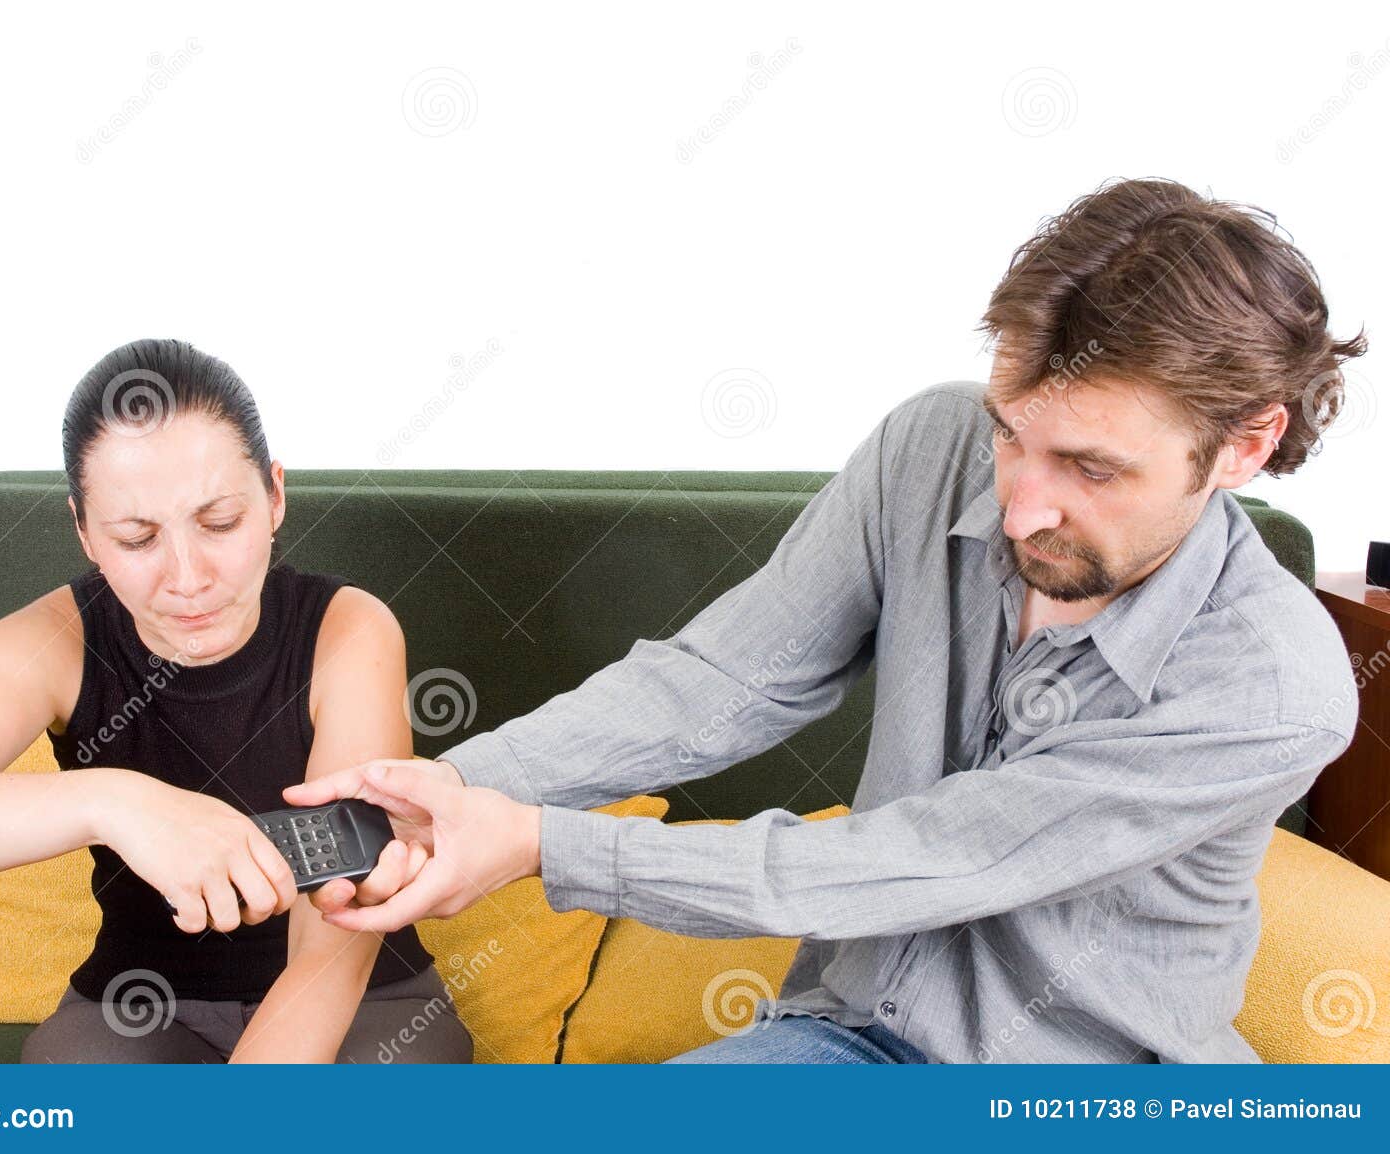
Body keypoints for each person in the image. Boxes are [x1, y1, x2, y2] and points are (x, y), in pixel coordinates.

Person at [285, 178, 1366, 1064]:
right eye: (1010, 434)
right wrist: (438, 796)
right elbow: (720, 683)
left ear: (1244, 444)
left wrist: (540, 845)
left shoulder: (1274, 683)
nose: (1019, 507)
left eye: (1090, 468)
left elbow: (928, 858)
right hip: (847, 1043)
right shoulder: (931, 448)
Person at [0, 338, 472, 1064]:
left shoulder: (349, 628)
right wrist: (115, 802)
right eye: (137, 538)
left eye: (219, 523)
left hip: (365, 999)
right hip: (137, 1004)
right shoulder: (54, 641)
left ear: (275, 496)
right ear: (85, 532)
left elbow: (335, 933)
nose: (187, 578)